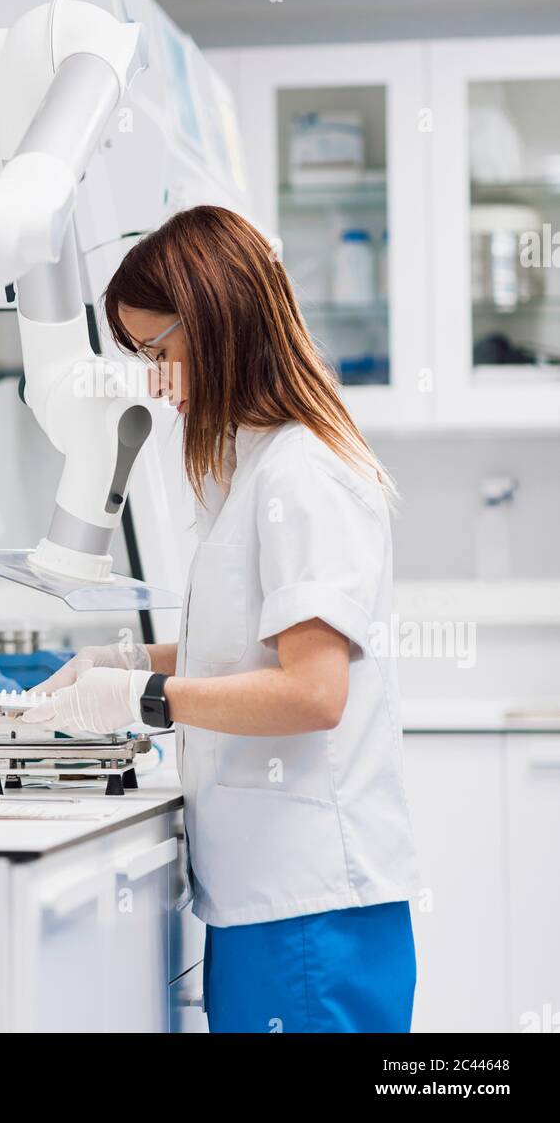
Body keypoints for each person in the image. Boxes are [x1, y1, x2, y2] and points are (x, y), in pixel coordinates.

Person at [23, 204, 420, 1034]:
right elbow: (247, 646)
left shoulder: (302, 475)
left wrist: (148, 699)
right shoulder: (259, 468)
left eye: (157, 350)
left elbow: (313, 692)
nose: (152, 379)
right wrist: (125, 661)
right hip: (269, 900)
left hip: (308, 912)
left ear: (216, 320)